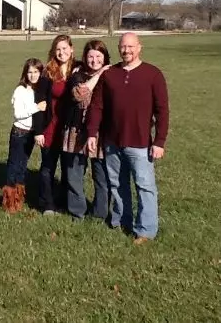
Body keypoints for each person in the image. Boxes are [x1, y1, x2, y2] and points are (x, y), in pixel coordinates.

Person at [86, 32, 169, 245]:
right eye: (123, 47)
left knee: (145, 186)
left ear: (139, 47)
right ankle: (121, 221)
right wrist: (92, 133)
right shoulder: (110, 74)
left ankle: (146, 230)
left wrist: (159, 141)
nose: (126, 51)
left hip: (141, 143)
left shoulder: (153, 74)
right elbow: (97, 106)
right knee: (117, 184)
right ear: (118, 48)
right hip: (112, 142)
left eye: (131, 46)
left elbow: (162, 111)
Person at [63, 40, 111, 220]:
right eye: (90, 56)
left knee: (102, 176)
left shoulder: (111, 74)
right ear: (85, 58)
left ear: (105, 57)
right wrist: (99, 74)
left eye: (99, 56)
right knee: (74, 175)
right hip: (76, 131)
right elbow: (79, 95)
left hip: (100, 132)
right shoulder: (76, 75)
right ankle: (78, 211)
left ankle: (100, 213)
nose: (94, 60)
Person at [32, 34, 78, 215]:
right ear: (53, 52)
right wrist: (38, 130)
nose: (62, 52)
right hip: (51, 127)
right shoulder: (48, 73)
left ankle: (66, 201)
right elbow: (39, 103)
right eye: (58, 49)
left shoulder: (79, 69)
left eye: (65, 48)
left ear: (71, 49)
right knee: (48, 167)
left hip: (70, 129)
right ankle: (48, 204)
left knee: (70, 169)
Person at [2, 58, 46, 214]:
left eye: (36, 72)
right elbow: (18, 114)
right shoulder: (20, 90)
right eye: (30, 72)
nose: (33, 75)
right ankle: (9, 202)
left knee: (22, 167)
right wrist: (36, 107)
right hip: (19, 133)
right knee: (14, 166)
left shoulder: (38, 89)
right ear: (25, 73)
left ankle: (18, 198)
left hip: (30, 134)